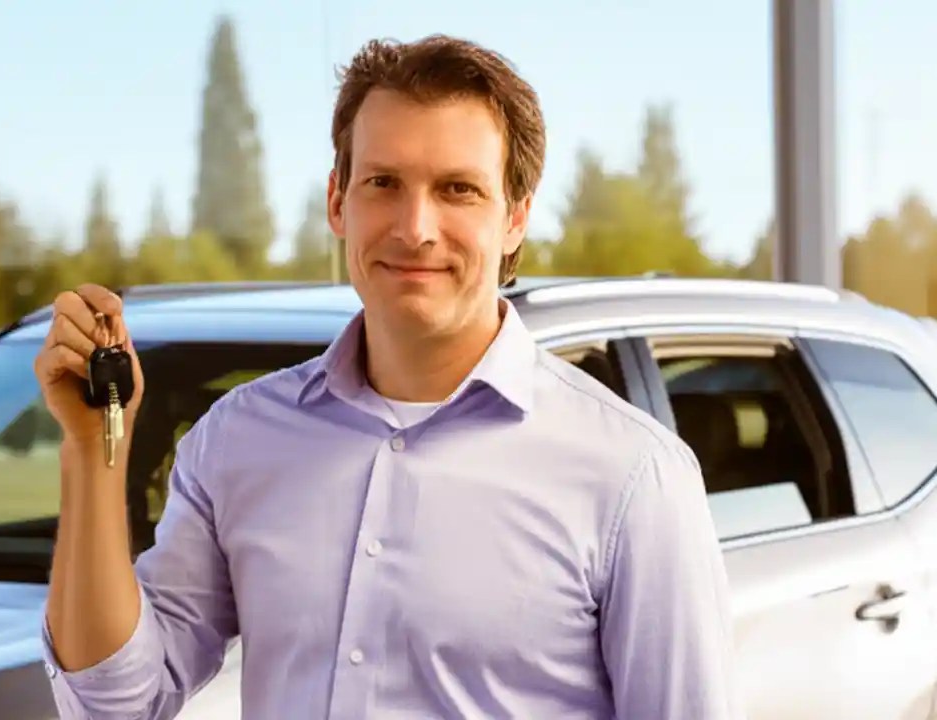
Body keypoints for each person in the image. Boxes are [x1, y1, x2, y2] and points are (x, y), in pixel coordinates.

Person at [36, 34, 742, 719]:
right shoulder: (238, 443)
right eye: (384, 183)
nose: (415, 227)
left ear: (516, 219)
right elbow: (117, 703)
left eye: (458, 190)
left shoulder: (632, 479)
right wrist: (91, 455)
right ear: (338, 201)